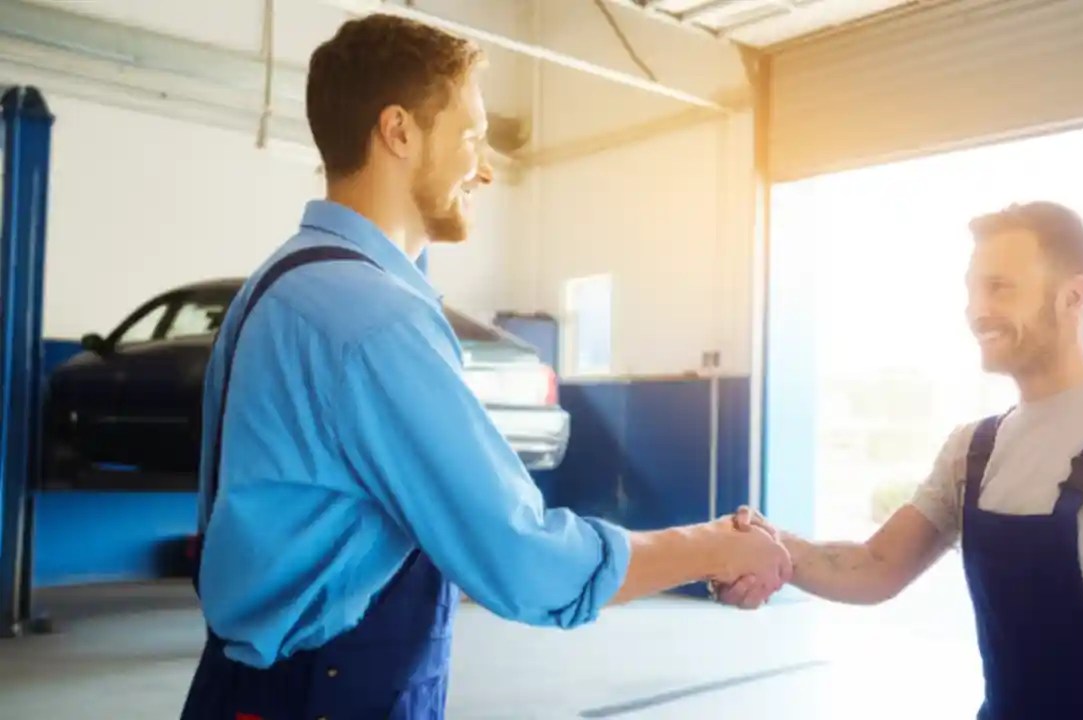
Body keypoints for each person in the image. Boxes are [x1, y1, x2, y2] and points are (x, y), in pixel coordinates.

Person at [179, 15, 790, 720]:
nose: (488, 166)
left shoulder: (278, 283)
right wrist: (710, 546)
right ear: (399, 132)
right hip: (324, 696)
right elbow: (521, 559)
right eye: (471, 136)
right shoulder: (374, 319)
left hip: (246, 687)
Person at [722, 202, 1083, 719]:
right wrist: (770, 547)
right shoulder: (972, 450)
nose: (976, 310)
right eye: (972, 289)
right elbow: (875, 566)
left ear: (1073, 296)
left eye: (999, 288)